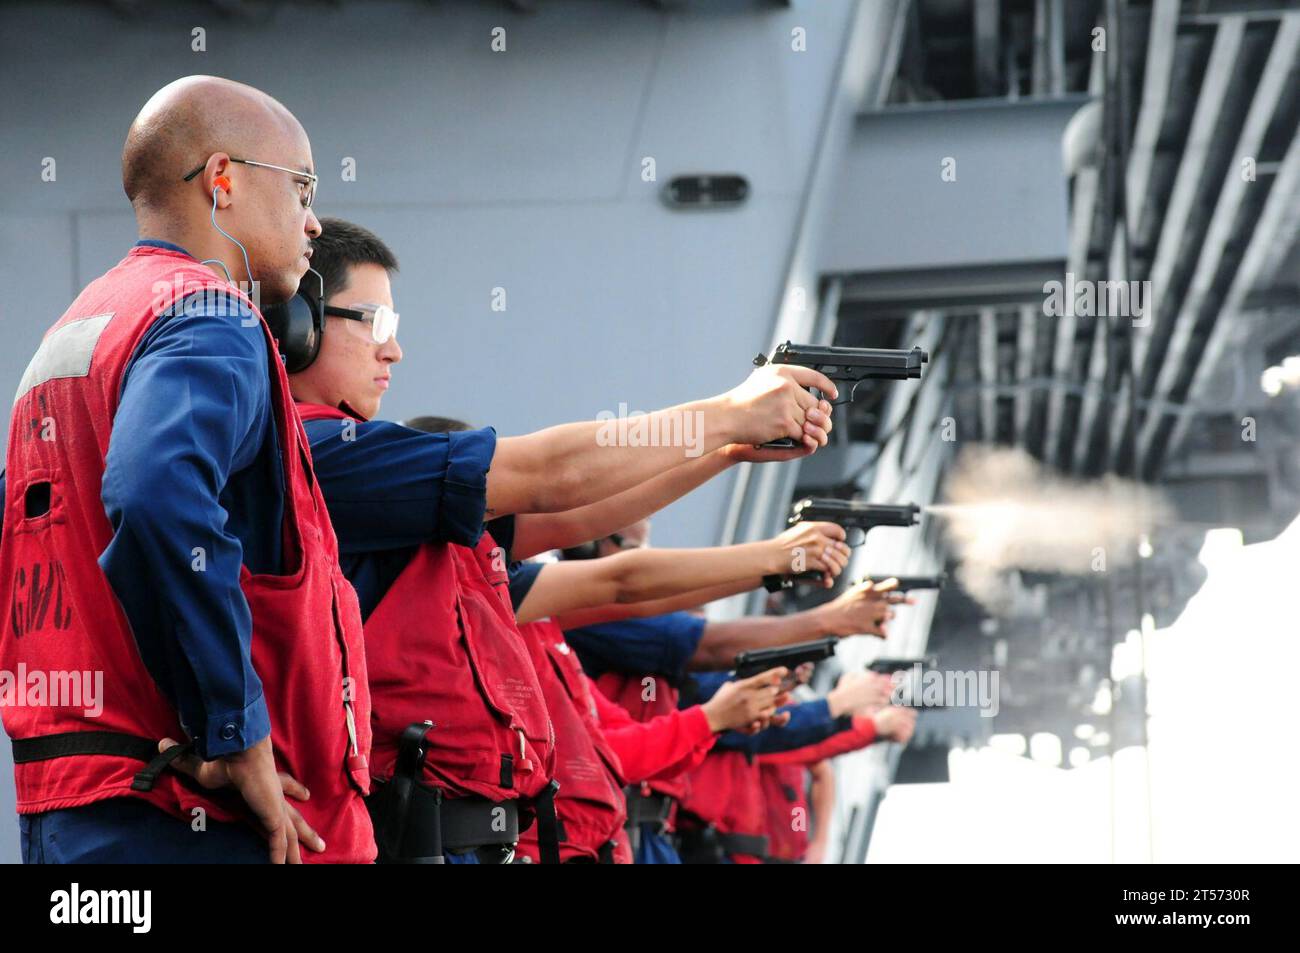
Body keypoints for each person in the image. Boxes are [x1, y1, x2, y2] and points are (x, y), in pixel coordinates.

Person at [285, 217, 840, 862]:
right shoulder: (321, 451)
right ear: (303, 325)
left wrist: (726, 448)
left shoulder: (376, 483)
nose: (393, 351)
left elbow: (578, 511)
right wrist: (729, 414)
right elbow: (554, 478)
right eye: (374, 323)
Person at [1, 76, 371, 864]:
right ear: (223, 180)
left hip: (69, 805)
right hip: (186, 812)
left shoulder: (75, 331)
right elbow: (154, 492)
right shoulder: (211, 317)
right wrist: (231, 725)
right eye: (302, 185)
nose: (312, 221)